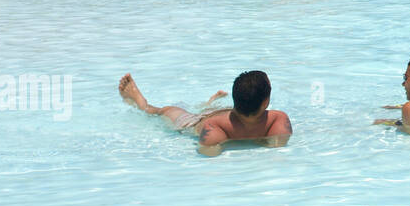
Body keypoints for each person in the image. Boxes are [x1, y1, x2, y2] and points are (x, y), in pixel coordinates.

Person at [119, 71, 292, 157]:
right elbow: (207, 153)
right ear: (265, 102)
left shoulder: (278, 119)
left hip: (224, 115)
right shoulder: (277, 120)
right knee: (162, 111)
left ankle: (210, 104)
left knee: (211, 111)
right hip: (193, 123)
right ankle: (142, 103)